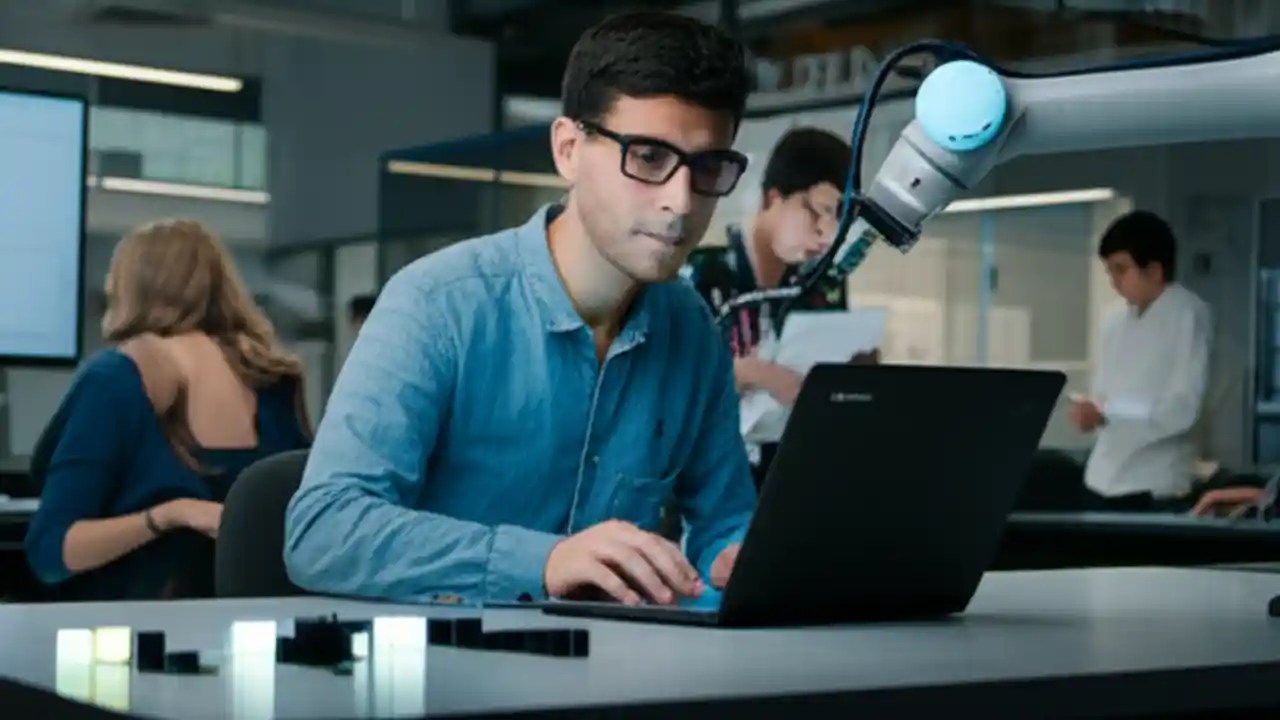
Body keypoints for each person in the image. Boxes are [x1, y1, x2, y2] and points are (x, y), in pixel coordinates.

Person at [284, 11, 758, 608]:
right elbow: (323, 532)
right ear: (567, 149)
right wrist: (546, 562)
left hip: (618, 677)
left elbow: (726, 528)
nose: (681, 202)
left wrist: (742, 558)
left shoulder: (691, 331)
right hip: (444, 676)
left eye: (708, 167)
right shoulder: (438, 304)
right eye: (647, 157)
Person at [24, 219, 313, 601]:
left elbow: (52, 552)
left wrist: (167, 515)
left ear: (127, 289)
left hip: (135, 639)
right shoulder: (274, 379)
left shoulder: (115, 379)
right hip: (262, 633)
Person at [684, 127, 856, 487]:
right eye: (819, 212)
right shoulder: (701, 275)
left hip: (796, 474)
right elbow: (672, 385)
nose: (826, 236)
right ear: (772, 199)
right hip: (712, 482)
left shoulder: (820, 287)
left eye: (839, 220)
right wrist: (753, 374)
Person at [1068, 210, 1212, 511]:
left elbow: (1183, 409)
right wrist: (1090, 414)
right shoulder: (1113, 321)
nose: (1114, 282)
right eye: (1110, 272)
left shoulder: (1188, 313)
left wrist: (1109, 411)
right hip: (1101, 480)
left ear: (1155, 271)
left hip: (1154, 486)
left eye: (1121, 270)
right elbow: (1103, 395)